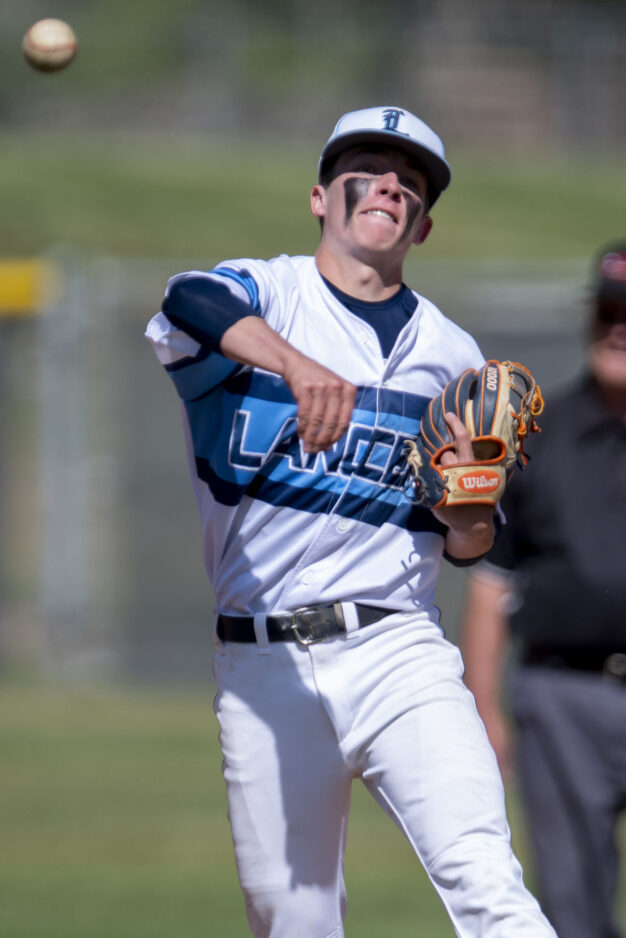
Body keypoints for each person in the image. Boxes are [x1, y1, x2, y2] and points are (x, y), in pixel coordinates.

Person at [146, 106, 557, 938]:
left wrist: (468, 510)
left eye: (410, 183)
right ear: (321, 198)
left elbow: (474, 545)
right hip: (263, 665)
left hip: (397, 650)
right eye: (365, 171)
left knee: (487, 884)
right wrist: (293, 363)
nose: (389, 186)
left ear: (425, 224)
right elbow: (184, 299)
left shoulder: (454, 355)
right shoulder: (267, 295)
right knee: (293, 922)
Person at [460, 242, 626, 938]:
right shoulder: (539, 436)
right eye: (607, 312)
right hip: (564, 701)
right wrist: (482, 715)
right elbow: (492, 584)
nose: (618, 328)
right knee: (571, 903)